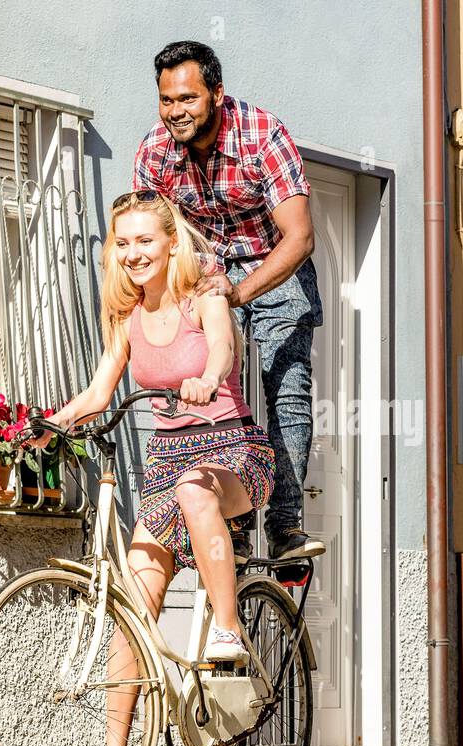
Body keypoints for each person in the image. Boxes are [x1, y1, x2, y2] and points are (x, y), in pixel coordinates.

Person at [33, 191, 275, 746]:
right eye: (124, 243)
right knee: (132, 616)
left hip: (231, 453)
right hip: (167, 464)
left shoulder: (206, 294)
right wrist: (42, 427)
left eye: (146, 240)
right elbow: (96, 394)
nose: (134, 253)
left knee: (196, 492)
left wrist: (209, 378)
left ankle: (227, 630)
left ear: (171, 241)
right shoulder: (127, 315)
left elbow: (224, 347)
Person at [132, 40, 324, 566]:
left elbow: (299, 236)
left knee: (286, 383)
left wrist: (239, 292)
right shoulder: (154, 152)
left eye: (188, 98)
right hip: (203, 269)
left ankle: (285, 524)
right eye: (167, 100)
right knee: (214, 382)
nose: (176, 111)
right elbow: (147, 234)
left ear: (217, 93)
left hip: (272, 262)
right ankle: (233, 521)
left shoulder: (263, 136)